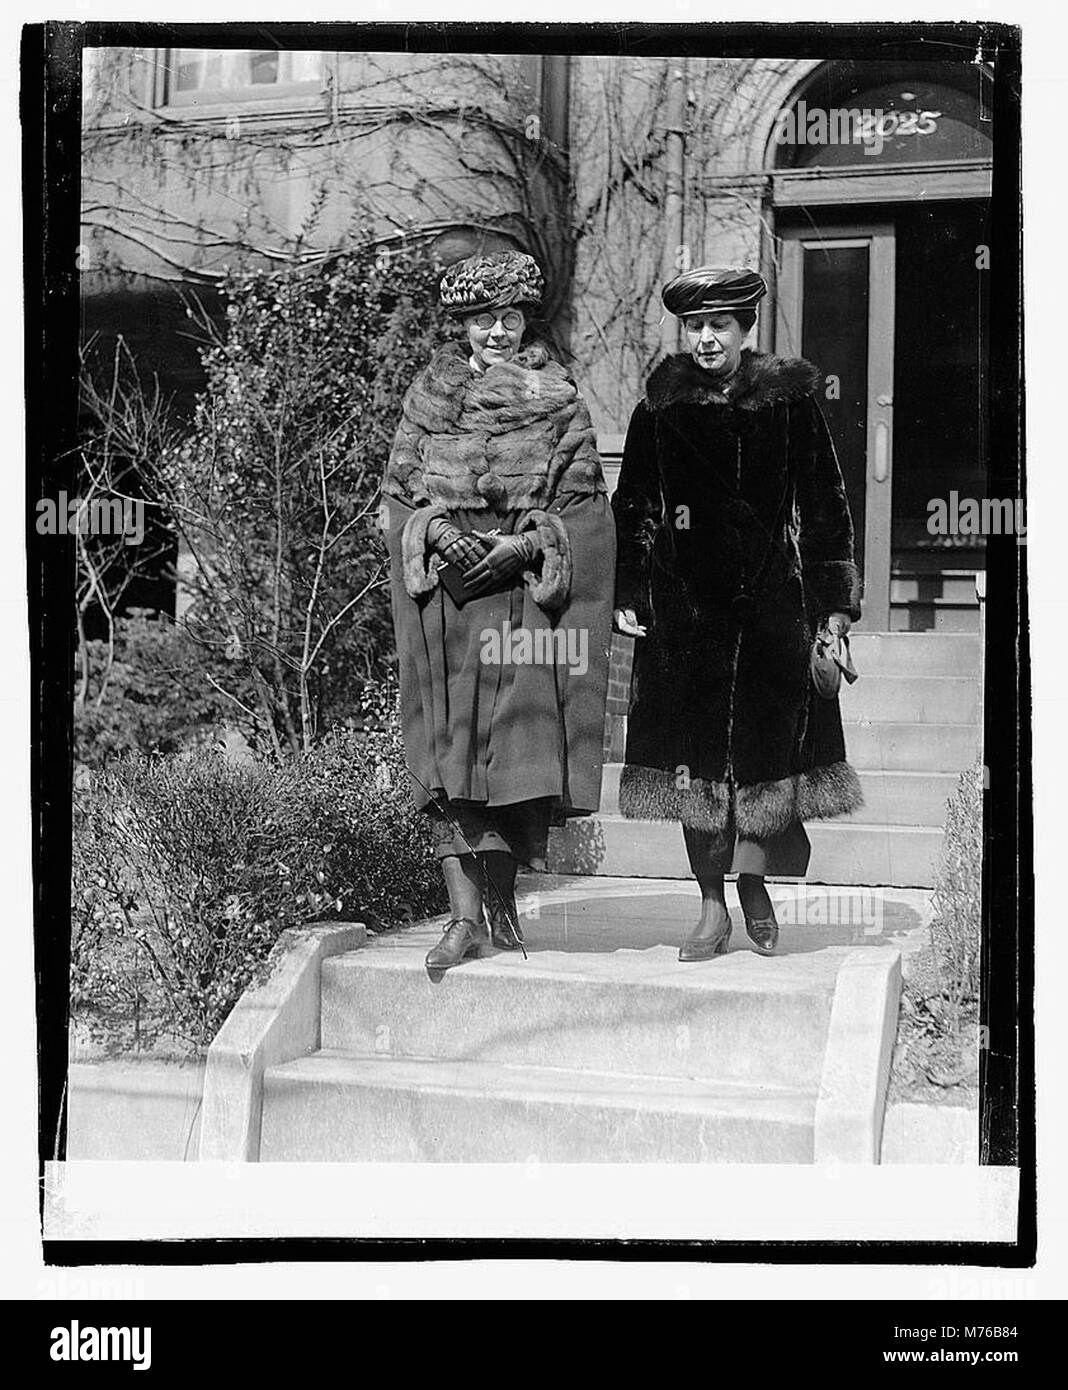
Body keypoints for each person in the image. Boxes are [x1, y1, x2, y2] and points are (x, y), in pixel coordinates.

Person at [612, 266, 863, 962]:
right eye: (695, 326)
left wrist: (833, 606)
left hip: (773, 610)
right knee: (693, 766)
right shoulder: (658, 411)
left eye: (719, 324)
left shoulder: (790, 404)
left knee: (769, 753)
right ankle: (709, 905)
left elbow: (825, 507)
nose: (706, 339)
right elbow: (633, 508)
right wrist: (630, 593)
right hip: (684, 616)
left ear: (744, 329)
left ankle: (753, 880)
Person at [382, 250, 615, 971]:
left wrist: (525, 547)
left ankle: (502, 900)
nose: (497, 331)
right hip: (447, 607)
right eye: (483, 318)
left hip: (519, 607)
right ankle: (462, 920)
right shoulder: (429, 397)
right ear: (462, 325)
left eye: (509, 316)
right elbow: (397, 498)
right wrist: (438, 533)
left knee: (513, 756)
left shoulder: (558, 399)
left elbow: (584, 508)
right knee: (449, 756)